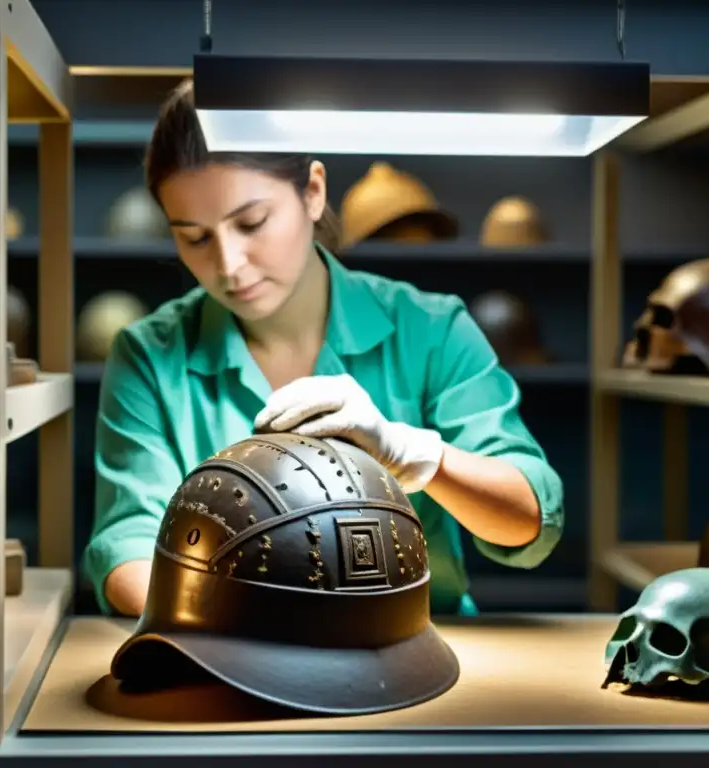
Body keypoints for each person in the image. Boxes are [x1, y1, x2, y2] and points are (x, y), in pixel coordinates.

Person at [81, 80, 565, 619]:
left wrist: (411, 455)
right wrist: (268, 630)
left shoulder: (431, 328)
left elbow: (530, 518)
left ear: (313, 191)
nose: (229, 263)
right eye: (194, 236)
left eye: (251, 222)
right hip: (223, 653)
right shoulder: (149, 356)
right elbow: (127, 543)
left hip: (414, 643)